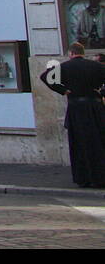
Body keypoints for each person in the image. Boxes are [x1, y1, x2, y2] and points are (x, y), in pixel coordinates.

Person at [39, 42, 105, 188]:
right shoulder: (97, 66)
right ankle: (100, 176)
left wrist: (63, 90)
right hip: (95, 106)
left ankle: (83, 177)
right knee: (98, 141)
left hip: (76, 107)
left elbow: (45, 77)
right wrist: (101, 92)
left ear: (70, 53)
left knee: (79, 142)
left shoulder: (64, 67)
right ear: (83, 52)